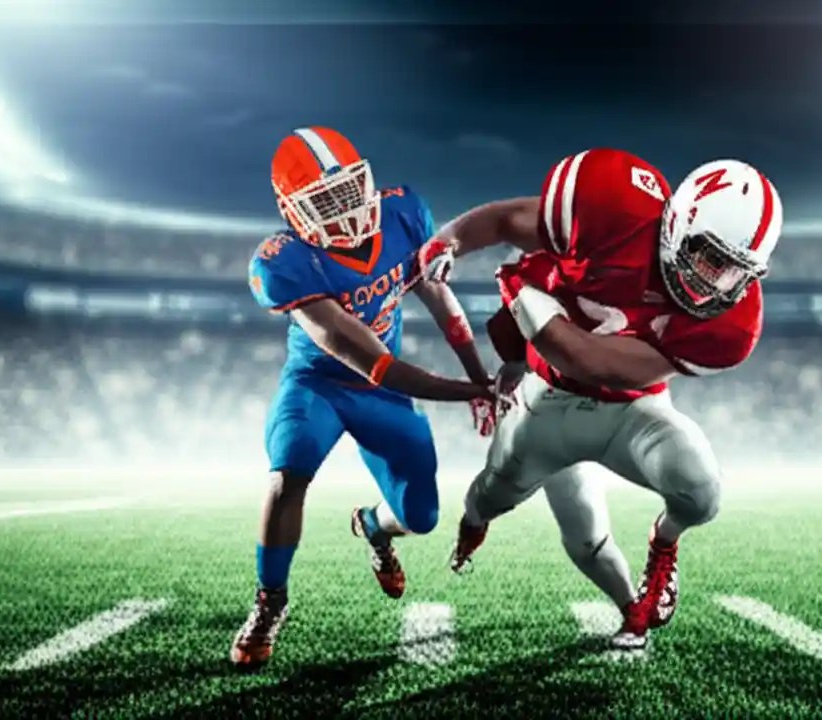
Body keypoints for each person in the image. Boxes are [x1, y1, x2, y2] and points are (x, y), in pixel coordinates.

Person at [420, 148, 782, 649]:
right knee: (499, 499)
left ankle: (661, 551)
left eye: (735, 270)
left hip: (633, 410)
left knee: (702, 493)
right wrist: (448, 241)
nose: (715, 282)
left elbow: (596, 364)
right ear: (678, 222)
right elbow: (505, 220)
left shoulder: (734, 325)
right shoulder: (614, 204)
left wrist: (533, 312)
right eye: (709, 257)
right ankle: (472, 528)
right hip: (544, 404)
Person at [231, 126, 494, 669]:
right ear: (293, 212)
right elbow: (378, 365)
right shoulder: (284, 262)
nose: (345, 209)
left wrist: (479, 374)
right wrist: (472, 389)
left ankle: (373, 526)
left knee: (420, 517)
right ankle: (270, 601)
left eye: (349, 191)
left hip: (381, 395)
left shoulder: (402, 215)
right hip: (321, 385)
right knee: (287, 476)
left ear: (366, 181)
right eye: (324, 202)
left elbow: (440, 302)